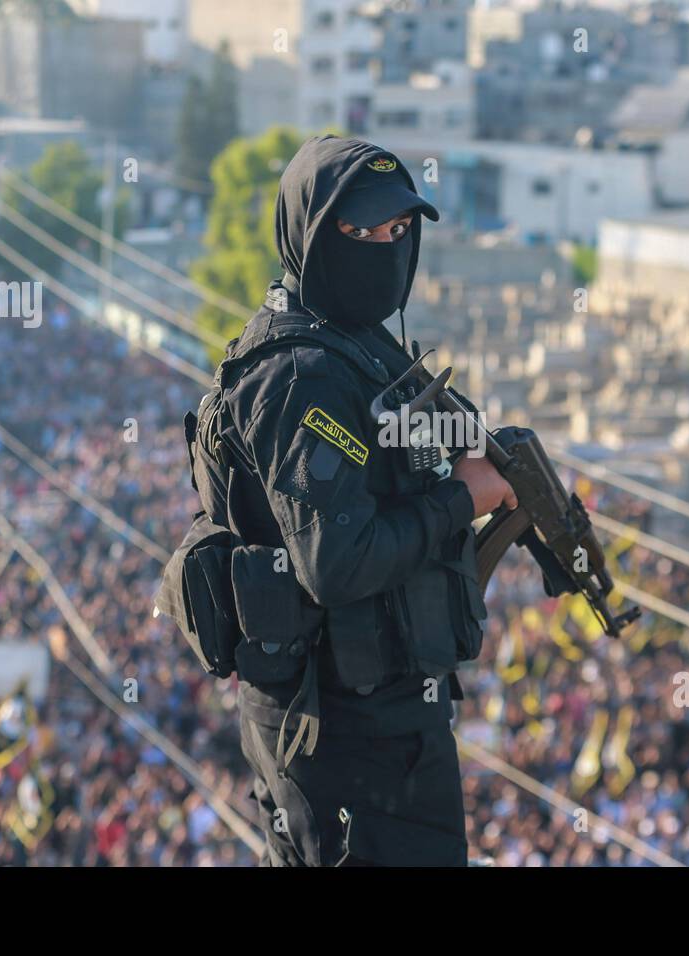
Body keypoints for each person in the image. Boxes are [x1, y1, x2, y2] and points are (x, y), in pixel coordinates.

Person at [185, 135, 515, 866]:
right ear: (308, 232)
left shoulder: (359, 344)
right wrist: (462, 500)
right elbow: (337, 562)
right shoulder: (303, 374)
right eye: (361, 230)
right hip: (336, 731)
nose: (386, 247)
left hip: (383, 716)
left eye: (400, 231)